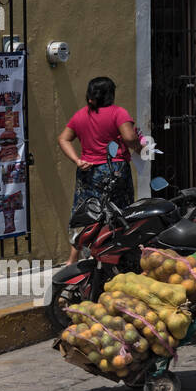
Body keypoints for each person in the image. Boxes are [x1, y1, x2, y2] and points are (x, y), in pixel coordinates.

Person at [58, 77, 140, 266]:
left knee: (86, 213)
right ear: (111, 94)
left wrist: (77, 160)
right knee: (120, 211)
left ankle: (72, 259)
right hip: (114, 171)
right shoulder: (118, 113)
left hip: (88, 172)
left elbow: (63, 139)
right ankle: (119, 254)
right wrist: (140, 147)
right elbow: (129, 137)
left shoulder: (80, 116)